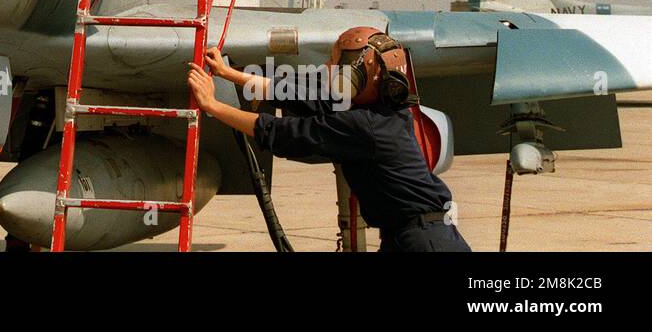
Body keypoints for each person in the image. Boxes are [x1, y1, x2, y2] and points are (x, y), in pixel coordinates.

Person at [187, 27, 473, 252]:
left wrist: (213, 106)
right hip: (417, 237)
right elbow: (296, 94)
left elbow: (283, 132)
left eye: (335, 61)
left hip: (424, 243)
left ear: (357, 74)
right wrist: (229, 74)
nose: (327, 65)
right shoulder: (384, 112)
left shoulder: (362, 125)